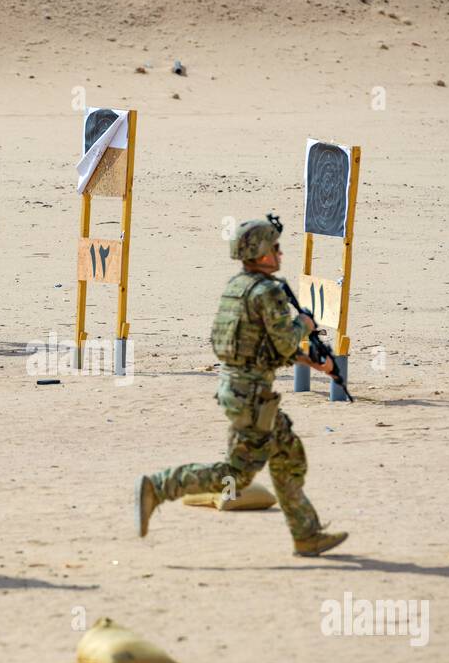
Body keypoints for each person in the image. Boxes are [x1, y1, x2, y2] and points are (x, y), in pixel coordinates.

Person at [136, 216, 348, 557]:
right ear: (262, 253)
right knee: (237, 474)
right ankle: (158, 487)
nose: (280, 254)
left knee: (288, 455)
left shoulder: (238, 287)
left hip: (239, 389)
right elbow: (282, 344)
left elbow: (258, 347)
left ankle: (306, 534)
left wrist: (314, 363)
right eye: (275, 248)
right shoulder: (268, 293)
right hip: (251, 397)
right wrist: (305, 325)